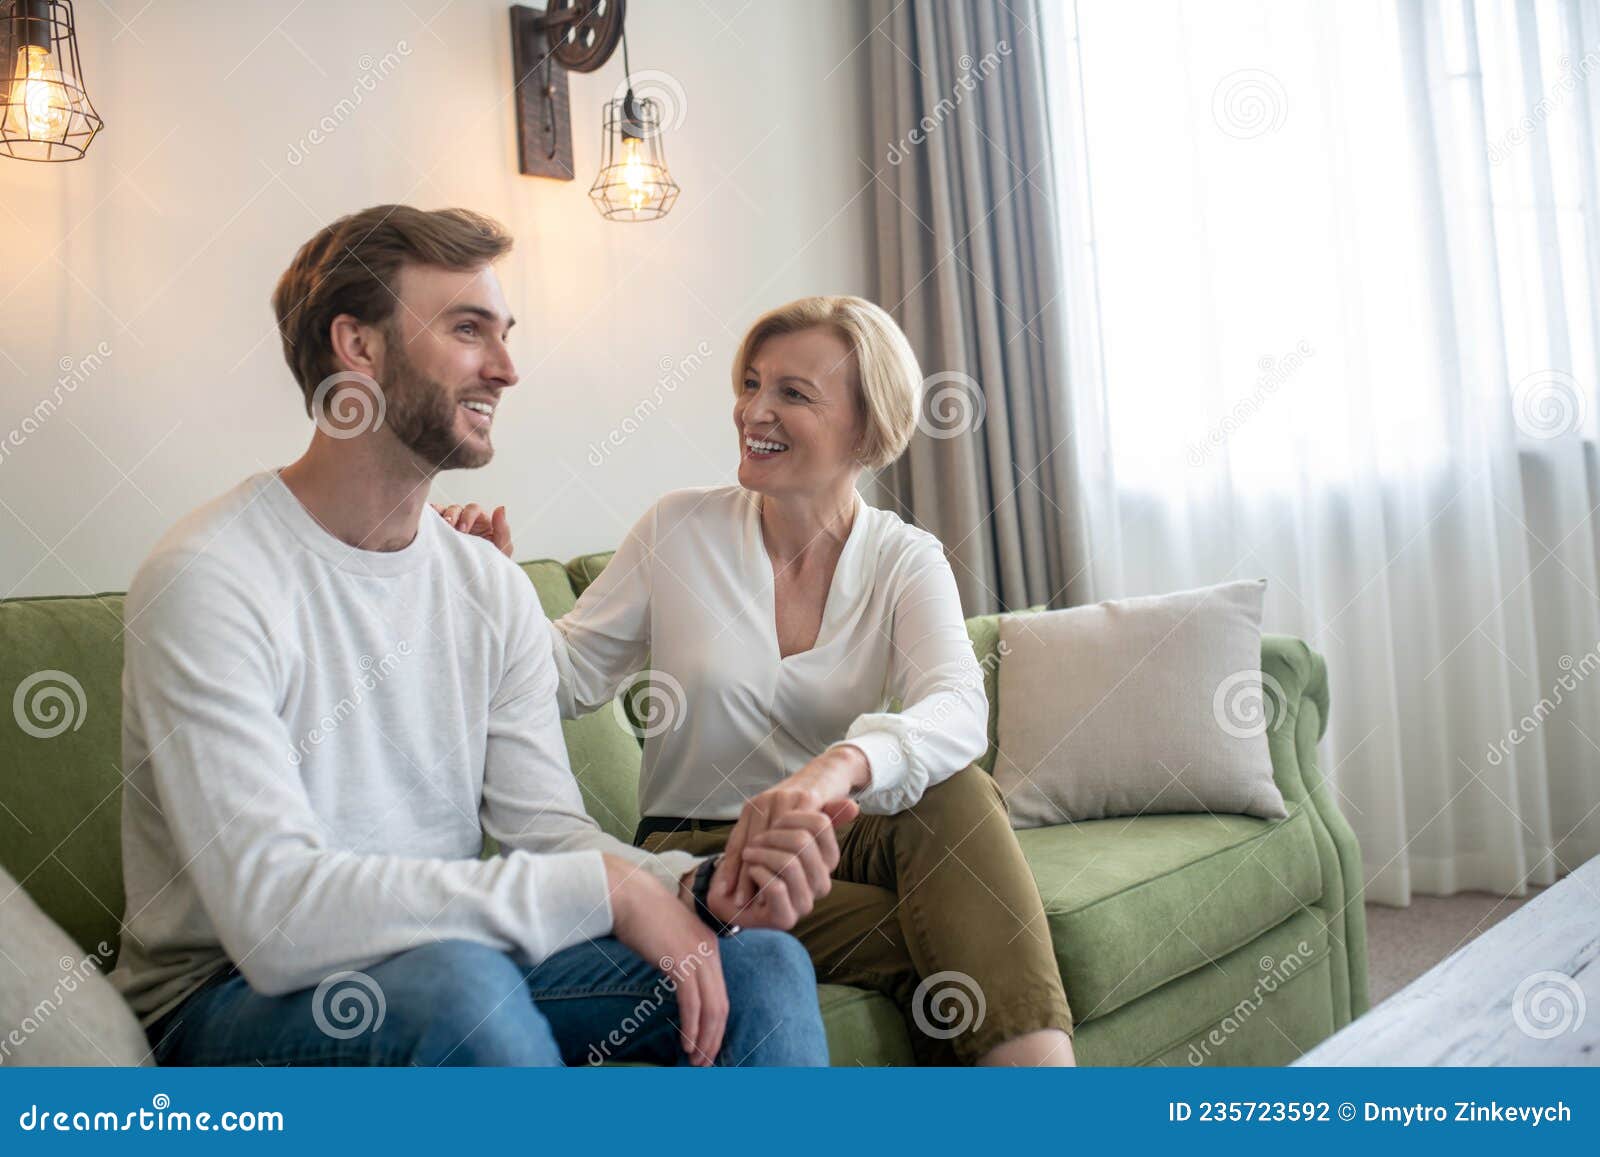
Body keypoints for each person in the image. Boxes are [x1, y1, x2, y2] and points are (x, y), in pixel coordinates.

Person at [108, 206, 839, 1068]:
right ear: (359, 346)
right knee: (458, 989)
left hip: (443, 965)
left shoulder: (487, 585)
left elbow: (547, 833)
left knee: (759, 962)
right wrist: (600, 888)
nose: (507, 369)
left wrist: (689, 884)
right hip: (226, 999)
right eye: (467, 330)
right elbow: (274, 917)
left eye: (505, 334)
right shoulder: (212, 575)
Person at [438, 295, 1076, 1065]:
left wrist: (835, 766)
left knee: (957, 791)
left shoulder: (904, 557)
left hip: (834, 835)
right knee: (955, 942)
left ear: (867, 429)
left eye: (792, 393)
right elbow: (566, 678)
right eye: (751, 383)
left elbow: (958, 707)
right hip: (701, 846)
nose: (753, 411)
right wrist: (493, 586)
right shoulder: (679, 529)